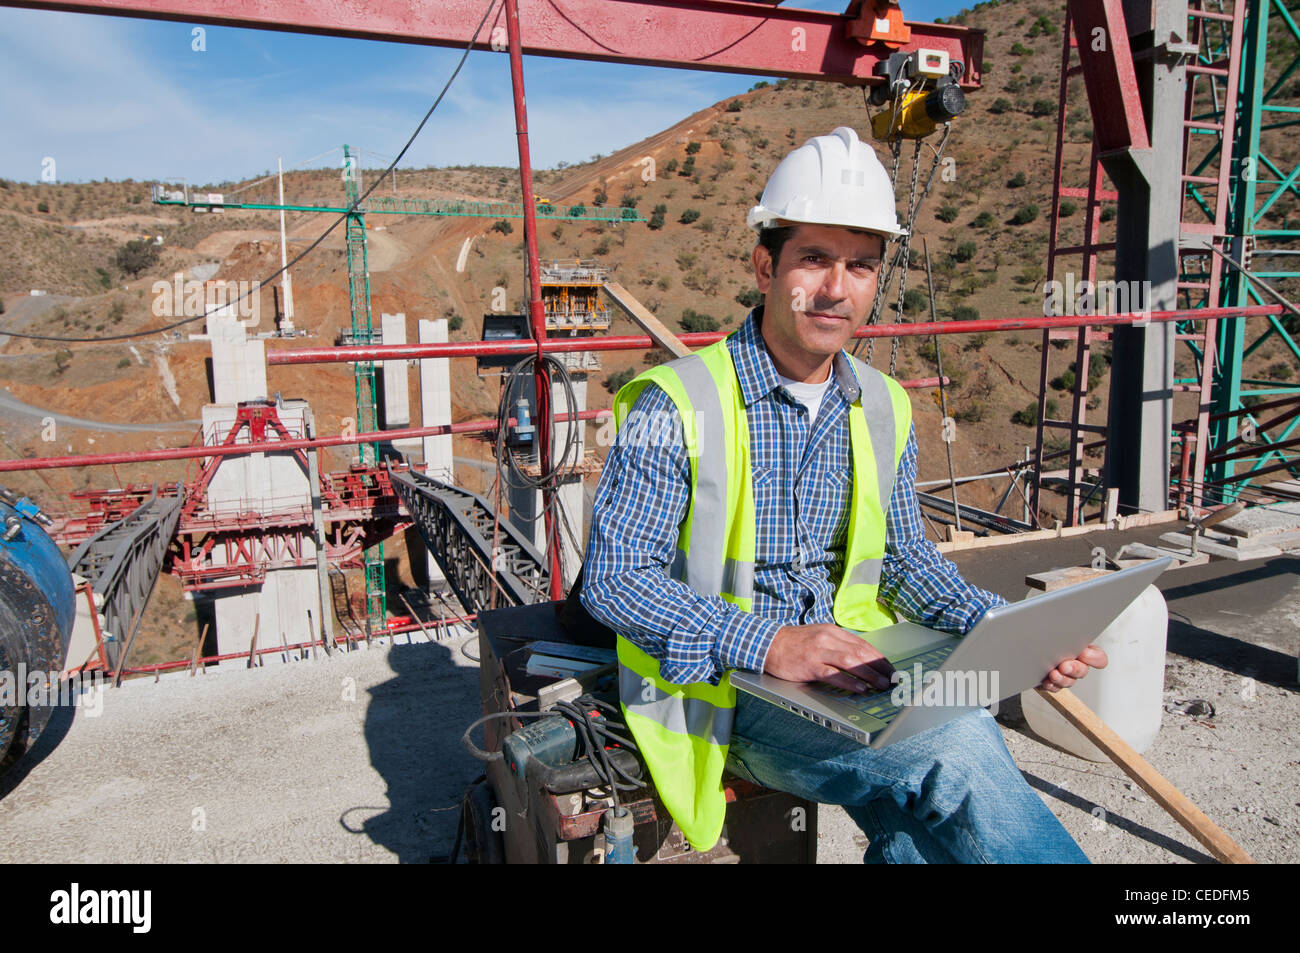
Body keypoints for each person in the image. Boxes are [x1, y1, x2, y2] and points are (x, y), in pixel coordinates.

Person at [580, 126, 1105, 863]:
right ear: (766, 265)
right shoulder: (676, 404)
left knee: (922, 826)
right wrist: (768, 642)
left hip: (855, 669)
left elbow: (906, 560)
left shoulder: (883, 404)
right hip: (727, 691)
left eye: (860, 265)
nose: (836, 287)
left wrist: (1005, 627)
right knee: (954, 740)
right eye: (815, 258)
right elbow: (616, 578)